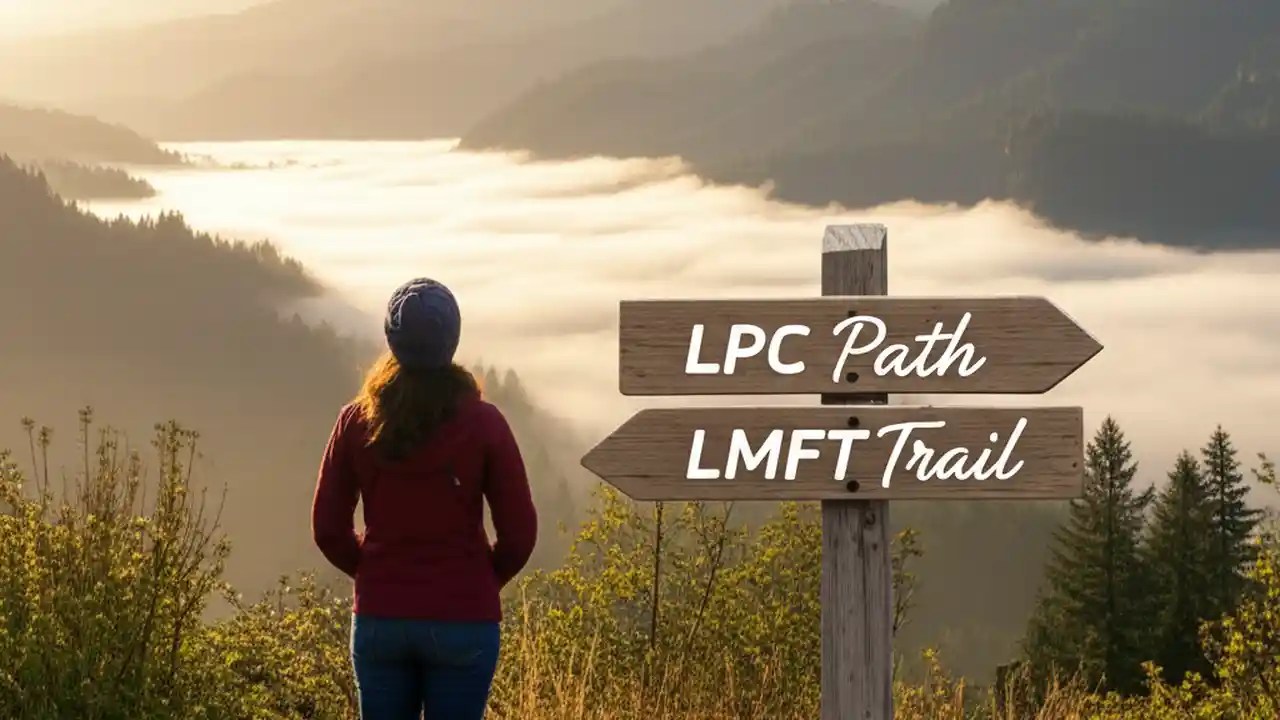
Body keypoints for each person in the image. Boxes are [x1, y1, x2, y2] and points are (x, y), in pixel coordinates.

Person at [312, 278, 538, 720]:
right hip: (464, 621)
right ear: (451, 339)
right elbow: (520, 535)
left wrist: (378, 571)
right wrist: (477, 581)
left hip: (381, 619)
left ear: (392, 339)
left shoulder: (356, 422)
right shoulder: (485, 423)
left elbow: (328, 530)